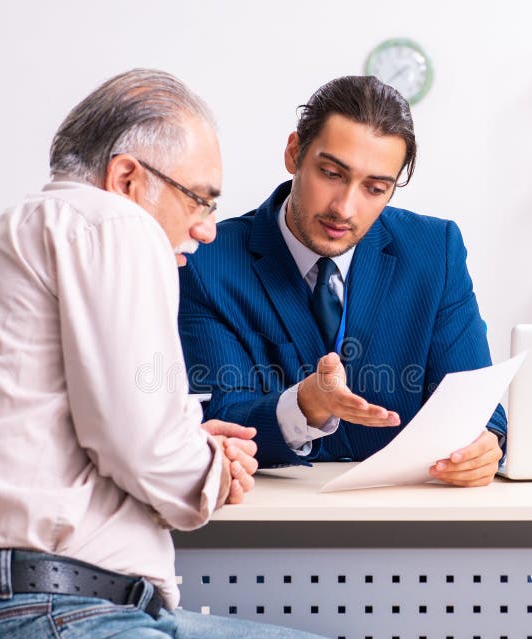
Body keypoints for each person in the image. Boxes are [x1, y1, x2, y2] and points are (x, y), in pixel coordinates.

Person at [0, 69, 384, 639]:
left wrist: (188, 446)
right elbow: (150, 450)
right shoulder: (109, 222)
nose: (207, 228)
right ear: (128, 179)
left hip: (39, 617)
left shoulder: (28, 232)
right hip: (32, 626)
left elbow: (120, 423)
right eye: (198, 200)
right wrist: (213, 468)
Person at [179, 75, 507, 485]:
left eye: (374, 188)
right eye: (332, 173)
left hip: (414, 515)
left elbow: (473, 398)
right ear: (295, 152)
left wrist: (485, 442)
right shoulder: (206, 261)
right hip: (270, 520)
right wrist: (303, 406)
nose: (345, 208)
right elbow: (217, 420)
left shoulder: (435, 251)